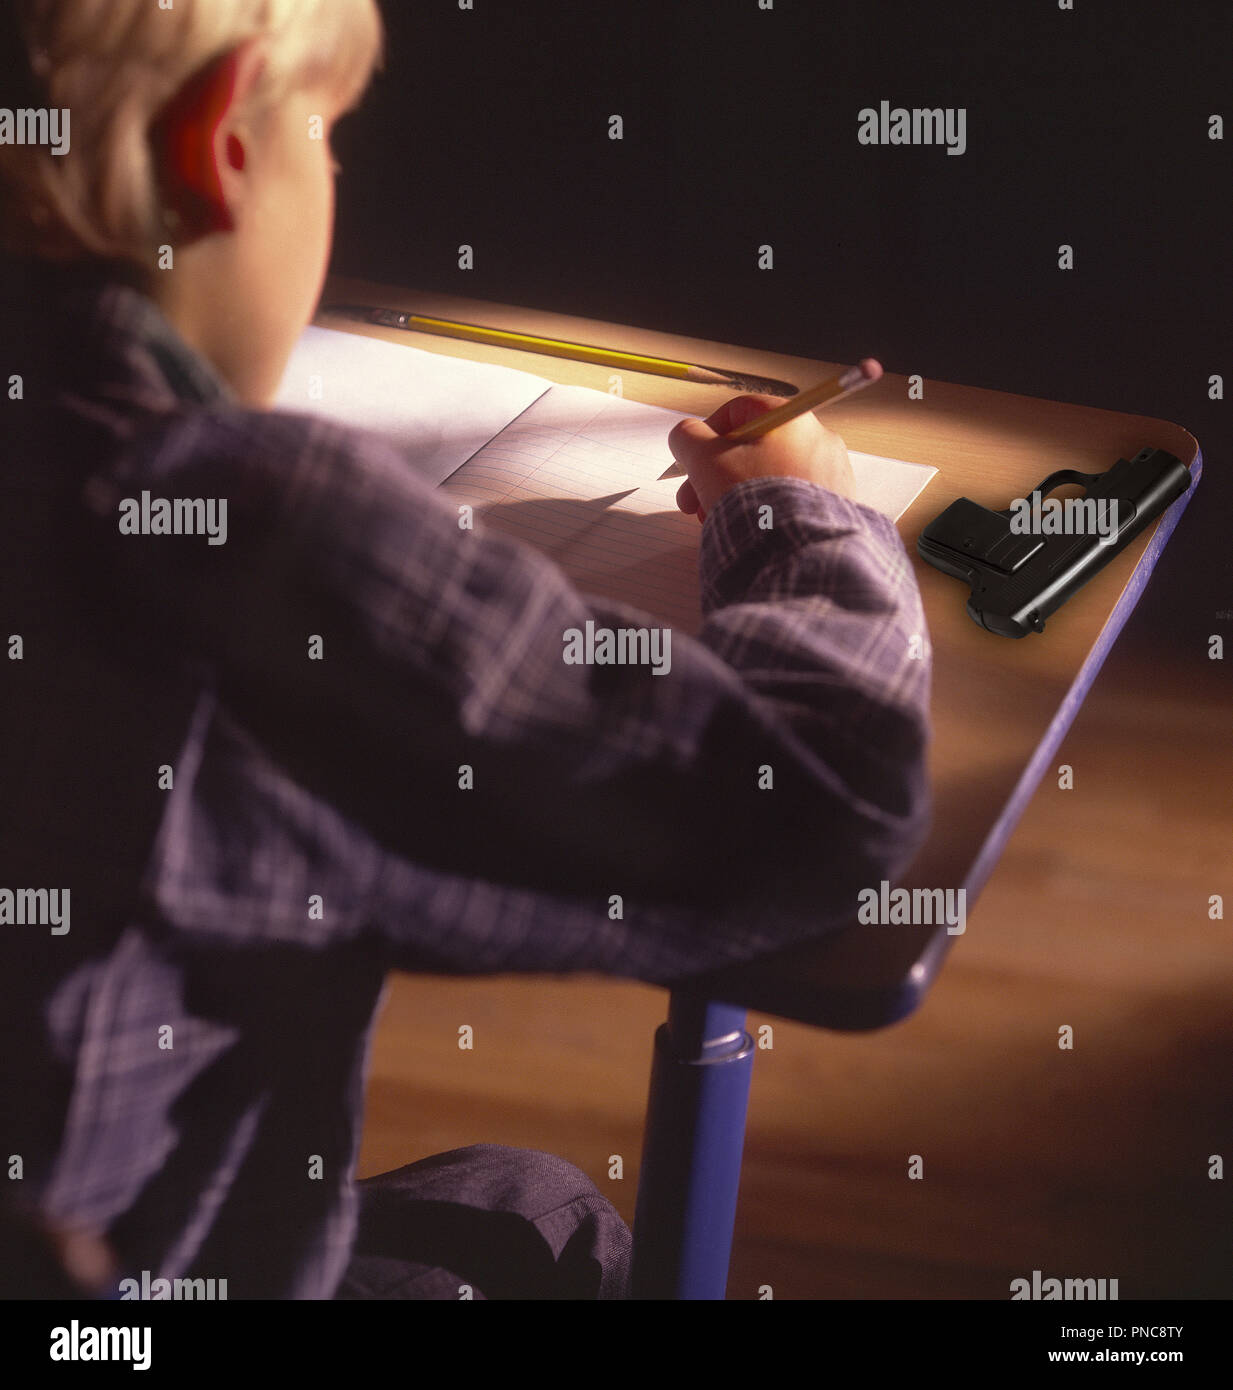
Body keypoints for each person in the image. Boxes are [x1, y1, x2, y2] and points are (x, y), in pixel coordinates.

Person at [0, 0, 932, 1299]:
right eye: (322, 135)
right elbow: (830, 800)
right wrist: (795, 511)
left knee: (518, 1206)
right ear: (223, 138)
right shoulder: (228, 538)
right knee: (550, 1241)